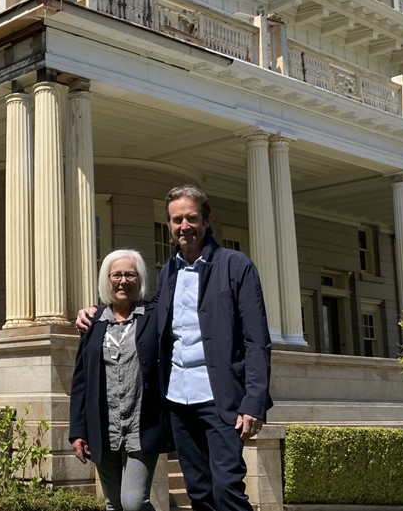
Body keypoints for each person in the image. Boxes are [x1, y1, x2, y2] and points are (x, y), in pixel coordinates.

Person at [77, 185, 272, 511]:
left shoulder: (236, 266)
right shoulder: (168, 272)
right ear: (169, 225)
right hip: (178, 402)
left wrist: (254, 402)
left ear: (207, 220)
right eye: (176, 220)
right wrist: (96, 313)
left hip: (221, 399)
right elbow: (141, 315)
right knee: (199, 493)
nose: (184, 226)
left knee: (227, 489)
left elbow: (257, 341)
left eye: (191, 218)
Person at [69, 249, 168, 511]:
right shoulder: (92, 322)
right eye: (116, 275)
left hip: (141, 427)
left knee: (134, 503)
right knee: (113, 503)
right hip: (104, 429)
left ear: (140, 279)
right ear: (107, 279)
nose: (123, 281)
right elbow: (81, 381)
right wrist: (77, 431)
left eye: (130, 275)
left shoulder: (154, 316)